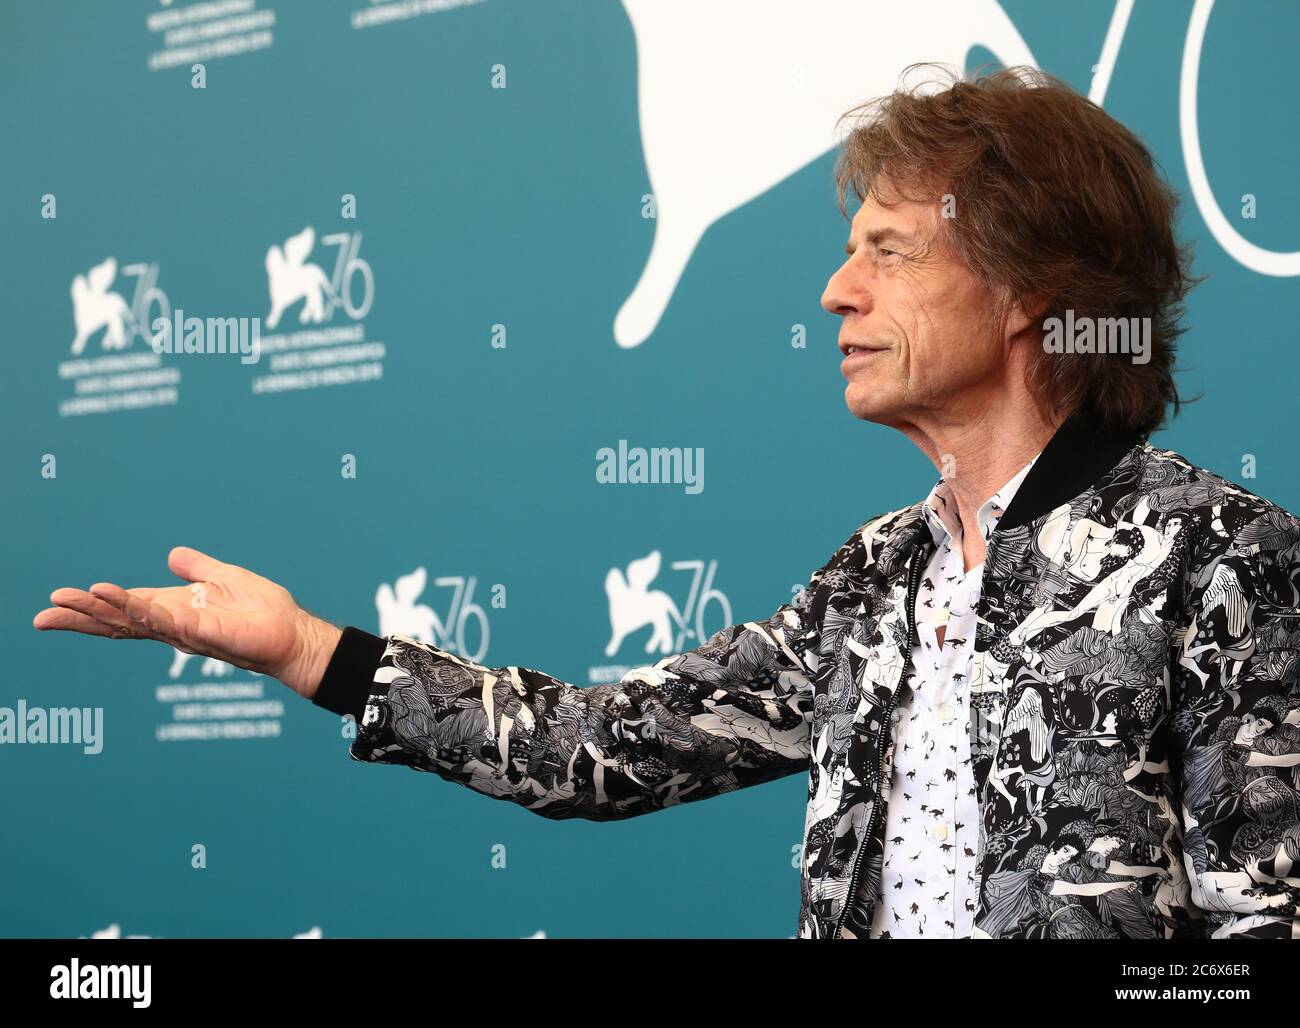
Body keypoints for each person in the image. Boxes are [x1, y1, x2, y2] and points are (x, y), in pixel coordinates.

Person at [33, 65, 1300, 939]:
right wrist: (314, 650)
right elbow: (602, 746)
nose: (833, 292)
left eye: (889, 250)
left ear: (1035, 292)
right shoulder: (875, 578)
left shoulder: (1215, 553)